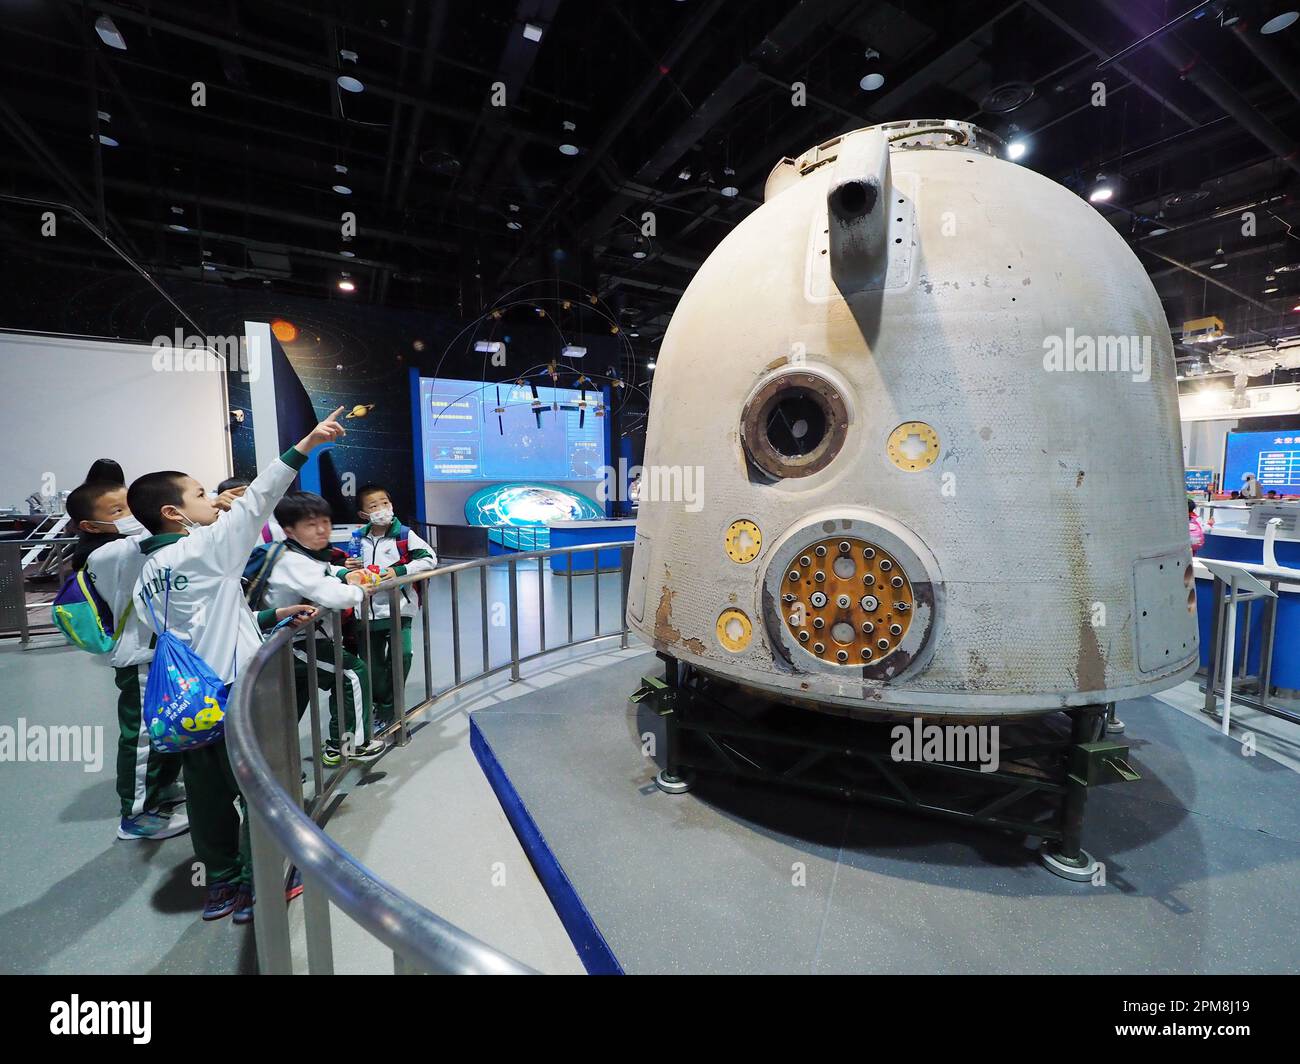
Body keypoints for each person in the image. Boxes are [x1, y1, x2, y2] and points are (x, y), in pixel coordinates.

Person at [127, 406, 345, 923]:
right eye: (200, 494)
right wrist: (305, 444)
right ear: (173, 514)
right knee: (260, 790)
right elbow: (260, 498)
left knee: (207, 799)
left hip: (185, 704)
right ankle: (262, 880)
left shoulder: (150, 571)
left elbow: (200, 621)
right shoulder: (206, 550)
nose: (215, 499)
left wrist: (268, 614)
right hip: (234, 697)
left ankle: (221, 884)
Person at [66, 477, 188, 841]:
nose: (133, 515)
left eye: (132, 505)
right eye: (119, 511)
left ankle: (161, 788)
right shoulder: (108, 554)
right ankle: (135, 815)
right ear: (90, 526)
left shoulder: (126, 549)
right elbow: (156, 540)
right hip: (139, 658)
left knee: (168, 725)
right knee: (143, 736)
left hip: (160, 652)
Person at [259, 491, 382, 765]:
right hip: (294, 642)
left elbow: (326, 572)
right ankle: (349, 745)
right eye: (311, 525)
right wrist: (360, 592)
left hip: (298, 640)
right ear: (289, 530)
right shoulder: (294, 561)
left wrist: (343, 575)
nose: (322, 530)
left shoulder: (299, 553)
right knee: (352, 673)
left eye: (326, 522)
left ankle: (282, 761)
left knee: (293, 705)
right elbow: (330, 594)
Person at [348, 485, 437, 730]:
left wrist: (397, 571)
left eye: (385, 503)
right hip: (365, 612)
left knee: (403, 655)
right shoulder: (358, 538)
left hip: (400, 609)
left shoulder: (404, 535)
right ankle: (383, 703)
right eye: (373, 506)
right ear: (363, 514)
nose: (381, 509)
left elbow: (429, 558)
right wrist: (349, 567)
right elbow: (351, 569)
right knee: (372, 665)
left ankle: (389, 707)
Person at [218, 476, 283, 542]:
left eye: (246, 498)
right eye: (233, 500)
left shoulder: (272, 531)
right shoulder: (217, 534)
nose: (242, 504)